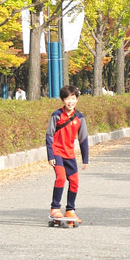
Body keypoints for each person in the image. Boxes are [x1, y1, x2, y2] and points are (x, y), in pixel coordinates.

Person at [45, 84, 89, 223]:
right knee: (61, 178)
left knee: (74, 181)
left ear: (77, 99)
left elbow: (83, 138)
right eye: (67, 99)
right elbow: (49, 135)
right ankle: (55, 208)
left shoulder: (79, 117)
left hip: (70, 154)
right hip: (57, 151)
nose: (70, 102)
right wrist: (50, 155)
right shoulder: (57, 115)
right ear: (63, 100)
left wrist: (85, 159)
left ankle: (70, 210)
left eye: (73, 98)